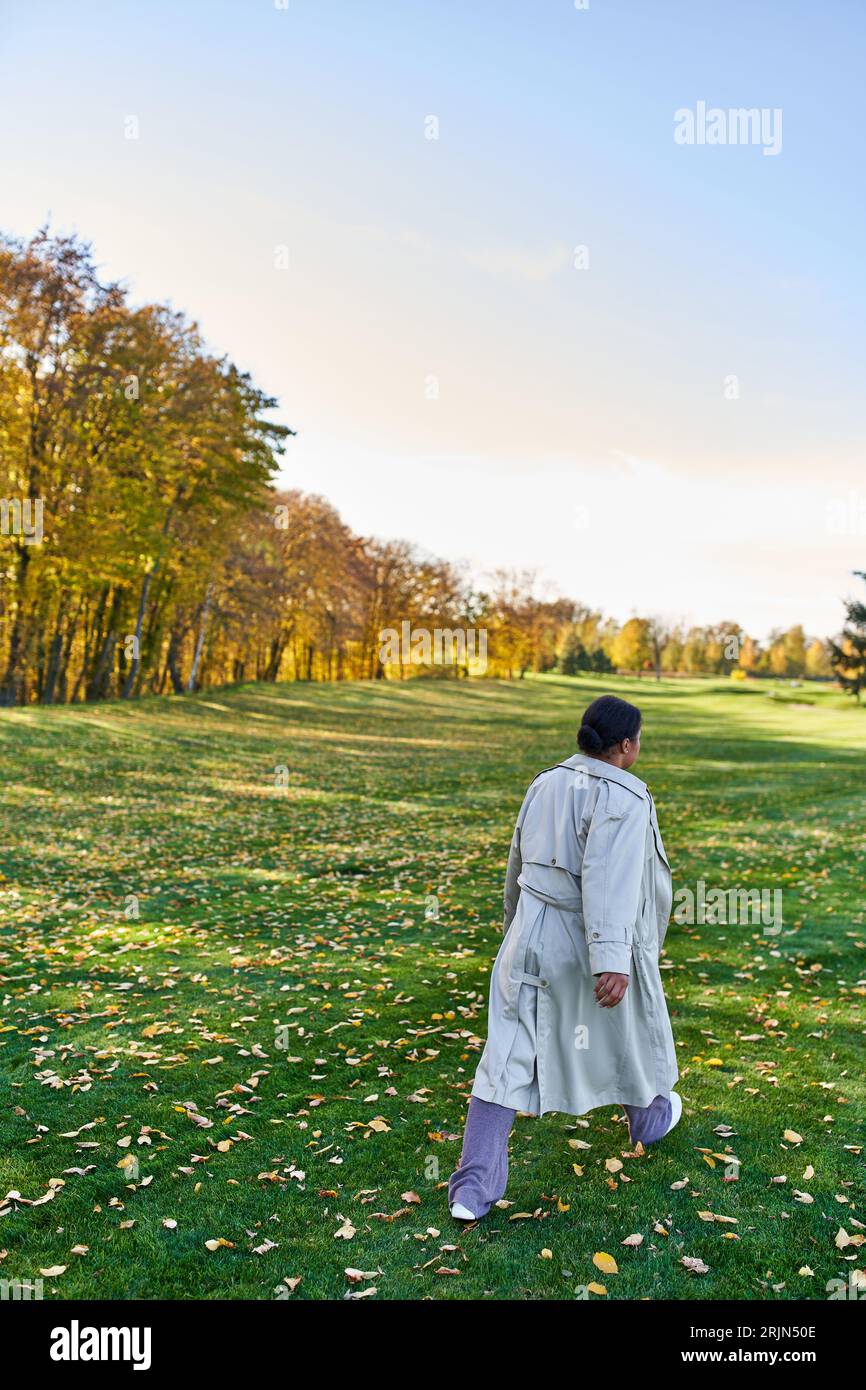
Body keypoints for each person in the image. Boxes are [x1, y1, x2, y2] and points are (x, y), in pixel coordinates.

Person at [448, 694, 681, 1222]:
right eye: (639, 739)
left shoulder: (544, 781)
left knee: (505, 1053)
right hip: (585, 939)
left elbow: (517, 862)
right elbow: (609, 880)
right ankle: (650, 1118)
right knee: (622, 1032)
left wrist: (513, 931)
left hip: (531, 934)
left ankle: (471, 1190)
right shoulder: (625, 794)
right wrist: (613, 959)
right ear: (626, 745)